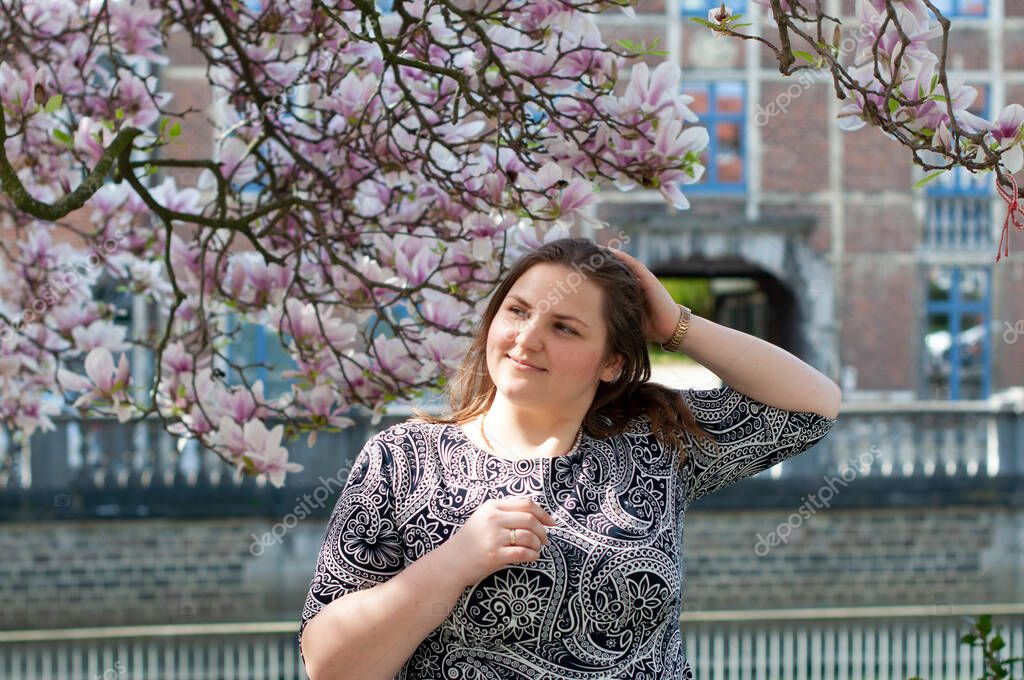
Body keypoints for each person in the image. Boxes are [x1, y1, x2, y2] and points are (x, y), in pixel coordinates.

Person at [298, 237, 841, 679]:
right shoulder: (403, 458)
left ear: (611, 362)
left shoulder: (653, 444)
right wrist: (452, 564)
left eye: (564, 327)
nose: (526, 339)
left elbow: (813, 403)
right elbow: (329, 665)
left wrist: (676, 324)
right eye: (517, 311)